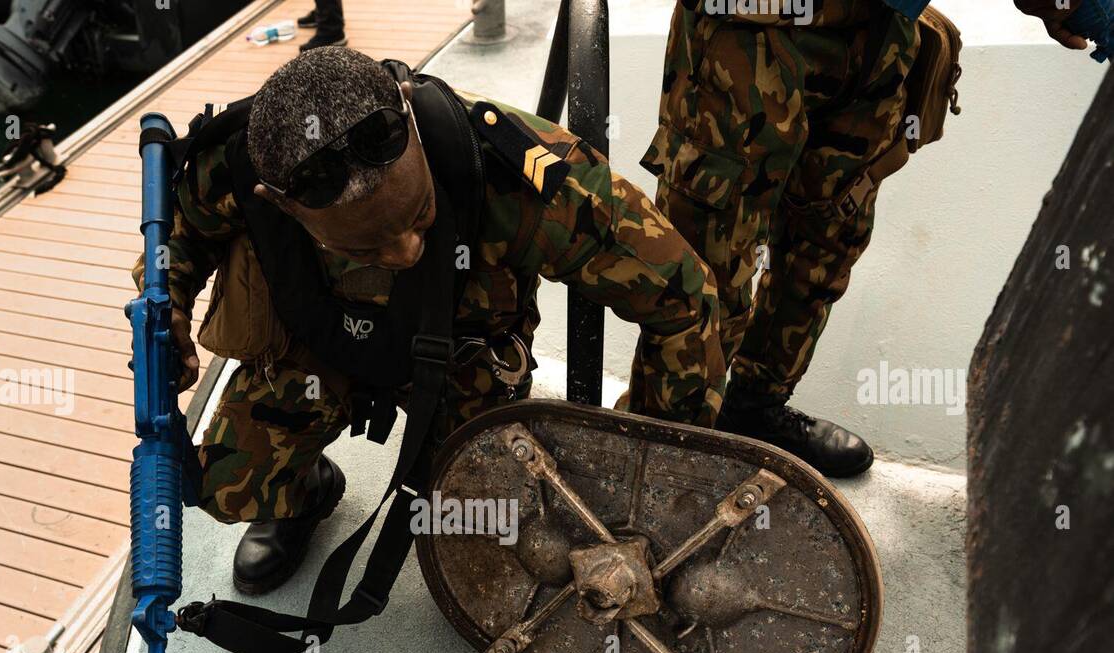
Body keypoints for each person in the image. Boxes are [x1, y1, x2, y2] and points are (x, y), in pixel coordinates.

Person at [135, 47, 726, 598]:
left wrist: (651, 467)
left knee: (471, 537)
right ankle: (308, 493)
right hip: (318, 351)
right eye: (366, 247)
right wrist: (173, 314)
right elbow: (175, 241)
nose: (404, 252)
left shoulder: (522, 180)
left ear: (410, 117)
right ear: (283, 203)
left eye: (420, 217)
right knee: (228, 482)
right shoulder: (241, 169)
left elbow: (683, 297)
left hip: (461, 365)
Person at [642, 0, 1098, 477]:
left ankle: (753, 408)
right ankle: (668, 447)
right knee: (713, 249)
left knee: (829, 236)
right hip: (753, 25)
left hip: (880, 29)